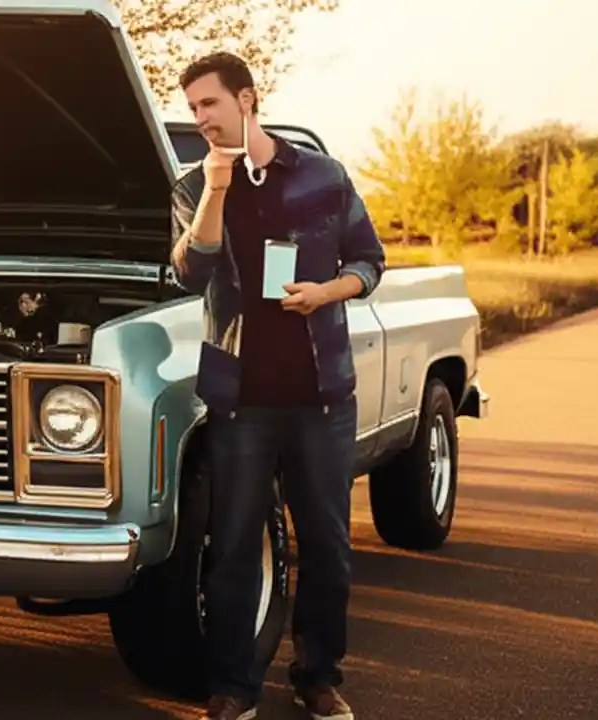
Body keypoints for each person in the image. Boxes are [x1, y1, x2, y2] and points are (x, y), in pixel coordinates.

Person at [169, 52, 385, 720]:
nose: (200, 117)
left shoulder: (323, 176)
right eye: (194, 107)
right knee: (233, 549)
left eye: (210, 103)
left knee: (328, 548)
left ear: (247, 98)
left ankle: (317, 676)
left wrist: (328, 292)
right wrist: (215, 186)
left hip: (322, 397)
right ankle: (234, 687)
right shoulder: (191, 187)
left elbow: (370, 262)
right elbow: (188, 272)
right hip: (241, 403)